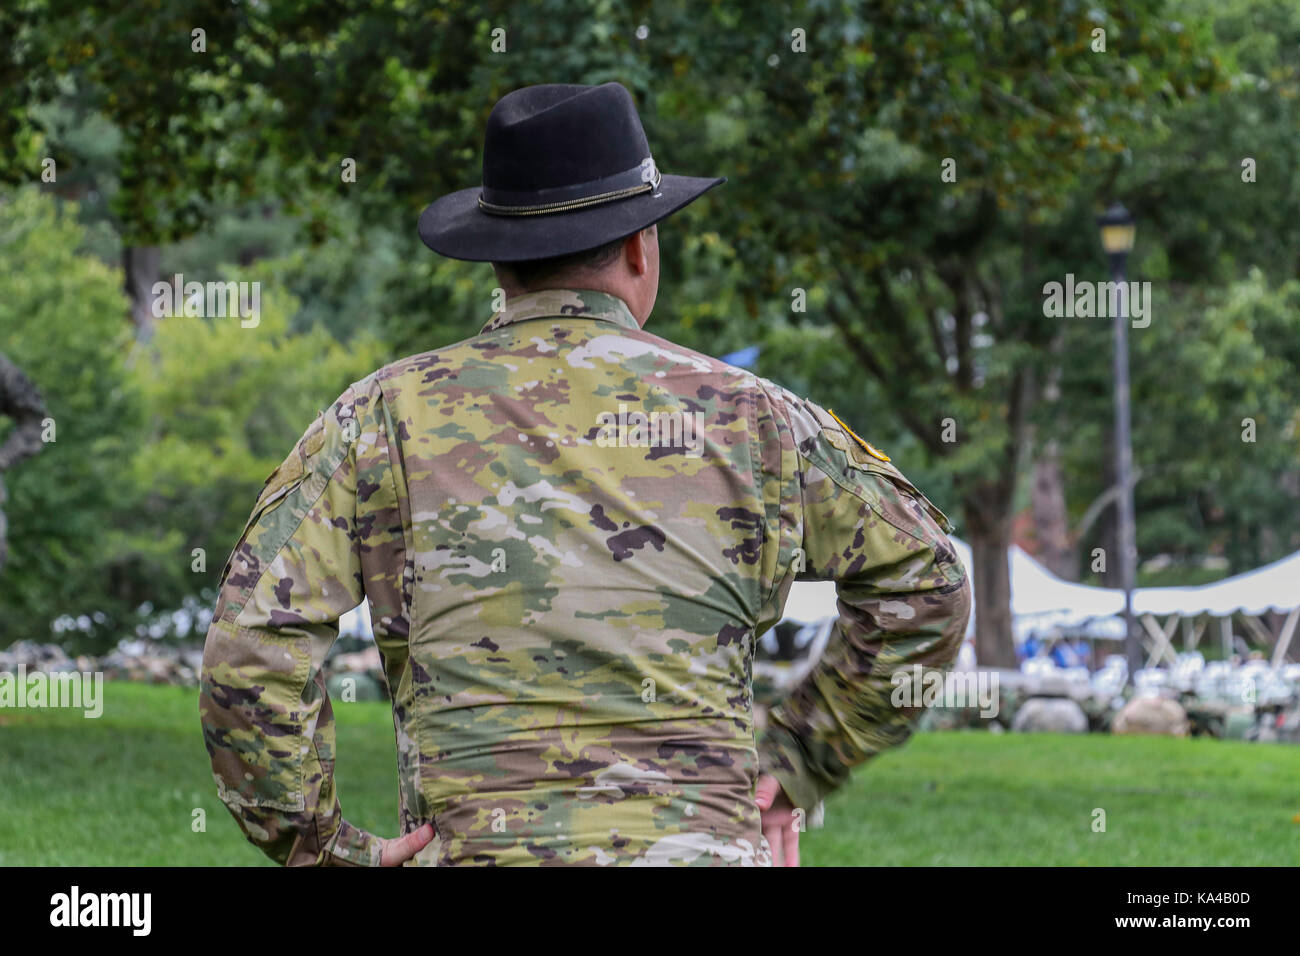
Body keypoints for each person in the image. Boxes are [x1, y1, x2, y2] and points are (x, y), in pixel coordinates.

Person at [199, 81, 972, 867]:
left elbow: (252, 645)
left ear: (499, 260)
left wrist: (323, 848)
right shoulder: (757, 420)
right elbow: (927, 579)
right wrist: (802, 759)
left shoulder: (383, 418)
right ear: (641, 247)